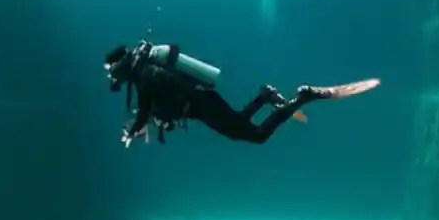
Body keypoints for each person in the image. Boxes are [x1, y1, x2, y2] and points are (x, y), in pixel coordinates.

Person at [104, 40, 378, 147]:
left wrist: (132, 131)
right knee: (240, 125)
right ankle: (265, 95)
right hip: (202, 103)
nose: (113, 78)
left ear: (121, 67)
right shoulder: (144, 74)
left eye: (111, 72)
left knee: (255, 136)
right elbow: (148, 109)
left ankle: (304, 96)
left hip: (200, 103)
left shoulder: (145, 77)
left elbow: (145, 108)